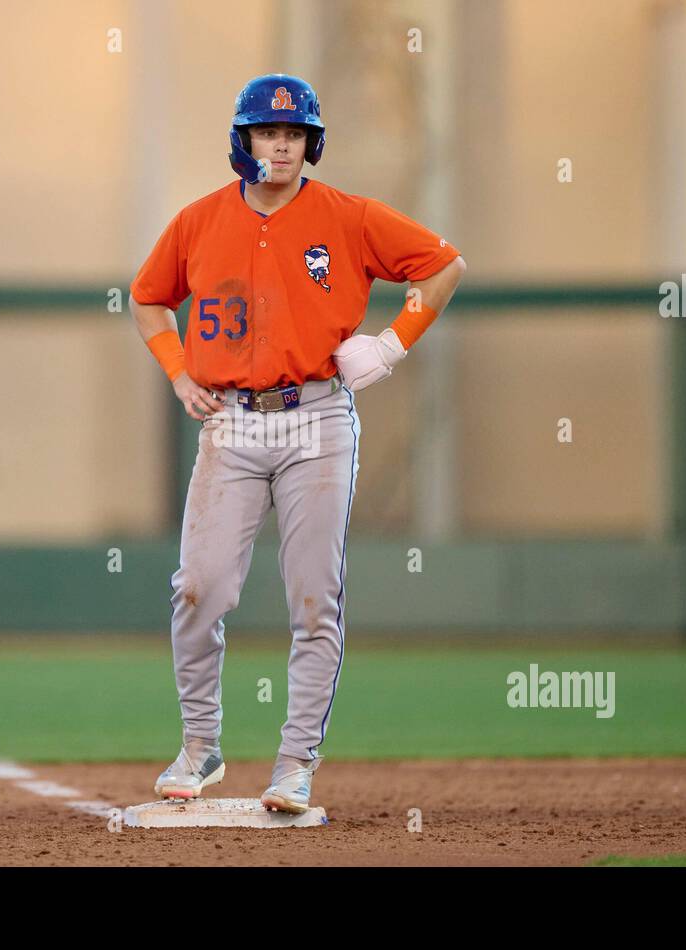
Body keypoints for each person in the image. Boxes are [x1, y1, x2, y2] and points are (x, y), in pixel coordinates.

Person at [129, 73, 466, 813]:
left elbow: (443, 266)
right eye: (266, 132)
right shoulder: (198, 221)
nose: (280, 144)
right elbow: (149, 296)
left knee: (314, 598)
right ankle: (201, 744)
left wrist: (392, 344)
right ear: (243, 140)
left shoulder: (348, 216)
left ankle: (295, 764)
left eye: (292, 133)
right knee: (199, 588)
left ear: (310, 142)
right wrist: (181, 372)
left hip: (317, 416)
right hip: (233, 421)